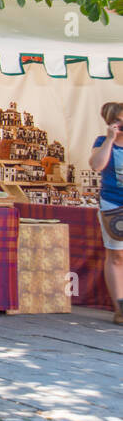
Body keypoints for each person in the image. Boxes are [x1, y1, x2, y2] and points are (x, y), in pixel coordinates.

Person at [87, 101, 123, 325]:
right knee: (116, 255)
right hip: (113, 203)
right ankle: (119, 307)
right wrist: (110, 139)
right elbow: (96, 165)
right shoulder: (102, 142)